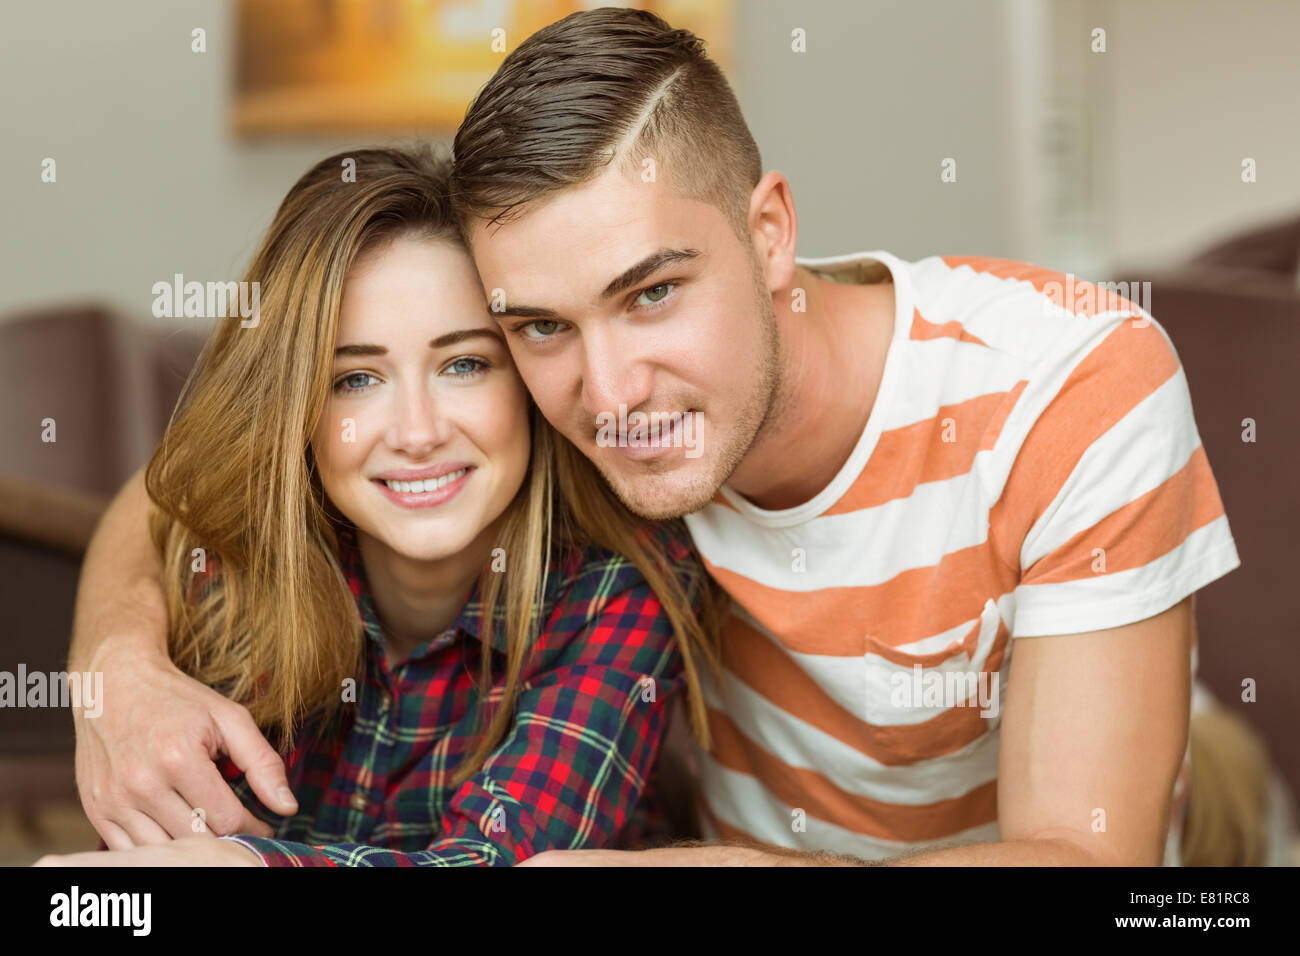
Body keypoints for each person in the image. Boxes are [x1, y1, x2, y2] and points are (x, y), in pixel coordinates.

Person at [66, 8, 1255, 866]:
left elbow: (1085, 858)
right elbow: (201, 480)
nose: (609, 389)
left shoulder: (1065, 377)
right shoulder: (552, 427)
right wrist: (115, 662)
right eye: (536, 325)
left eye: (651, 292)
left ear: (771, 231)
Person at [38, 145, 724, 866]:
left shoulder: (619, 581)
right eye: (356, 379)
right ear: (294, 406)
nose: (418, 433)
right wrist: (113, 660)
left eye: (464, 364)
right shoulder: (234, 559)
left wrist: (244, 864)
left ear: (528, 378)